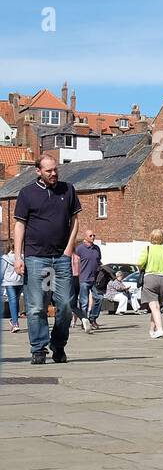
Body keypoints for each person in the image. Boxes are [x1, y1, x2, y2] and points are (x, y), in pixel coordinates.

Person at [13, 154, 81, 365]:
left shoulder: (67, 189)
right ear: (38, 171)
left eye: (55, 170)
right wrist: (18, 256)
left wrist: (69, 249)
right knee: (37, 306)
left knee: (67, 305)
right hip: (36, 259)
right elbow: (19, 225)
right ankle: (39, 349)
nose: (53, 174)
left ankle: (58, 344)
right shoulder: (27, 193)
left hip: (60, 259)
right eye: (48, 171)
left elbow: (75, 220)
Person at [137, 229, 163, 339]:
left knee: (154, 306)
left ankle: (160, 329)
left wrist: (142, 268)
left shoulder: (148, 249)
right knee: (157, 306)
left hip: (150, 278)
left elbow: (140, 263)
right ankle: (152, 330)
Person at [72, 231, 104, 333]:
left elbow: (99, 261)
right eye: (91, 235)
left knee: (99, 298)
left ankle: (92, 318)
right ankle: (84, 321)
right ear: (85, 237)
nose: (93, 237)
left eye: (94, 235)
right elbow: (74, 262)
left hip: (95, 279)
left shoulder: (96, 248)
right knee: (84, 302)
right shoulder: (79, 249)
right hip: (83, 279)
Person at [2, 243, 23, 333]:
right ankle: (14, 320)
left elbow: (2, 270)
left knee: (12, 301)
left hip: (9, 282)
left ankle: (15, 323)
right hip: (19, 281)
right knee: (16, 300)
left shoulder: (5, 258)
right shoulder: (22, 257)